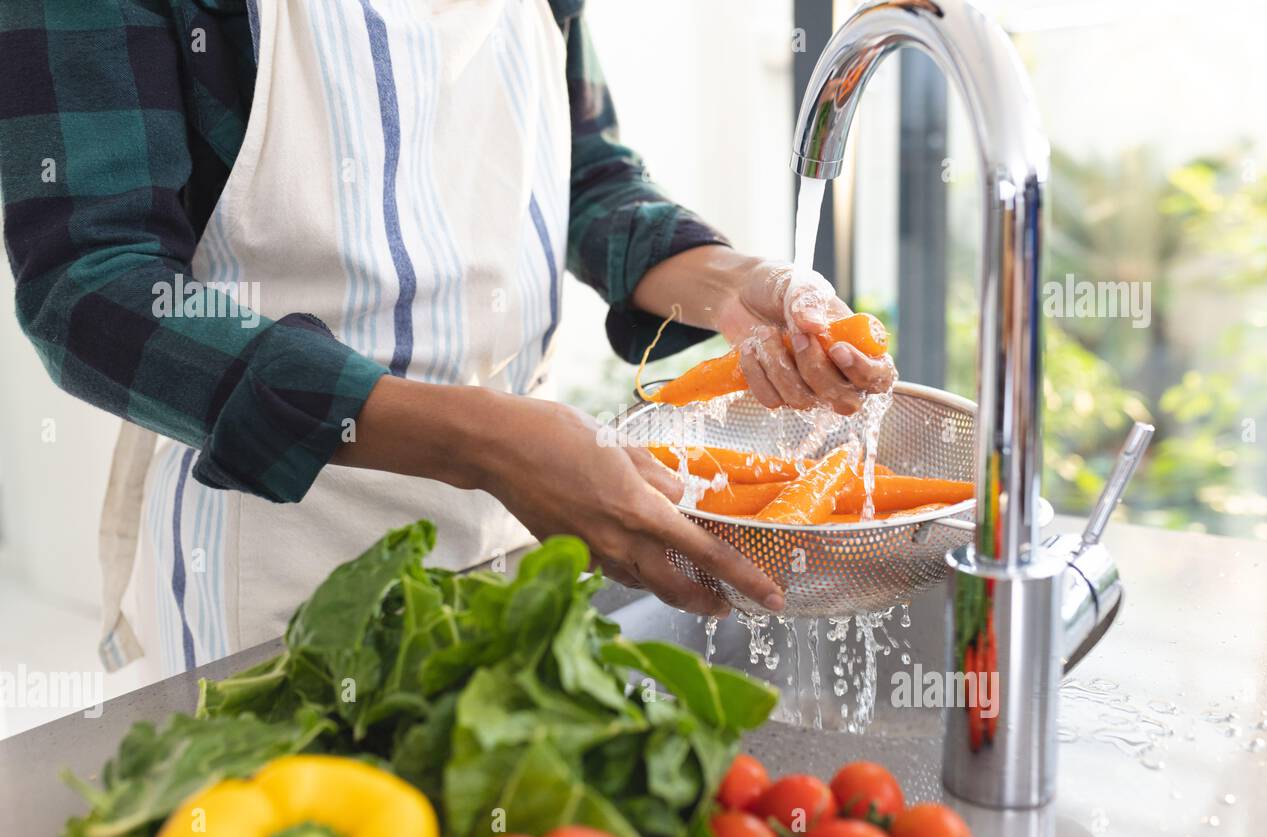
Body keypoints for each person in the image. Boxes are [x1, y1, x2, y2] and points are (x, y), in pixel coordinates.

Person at [0, 0, 893, 679]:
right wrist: (488, 441)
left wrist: (733, 284)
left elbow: (585, 170)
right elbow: (89, 282)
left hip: (512, 543)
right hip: (269, 589)